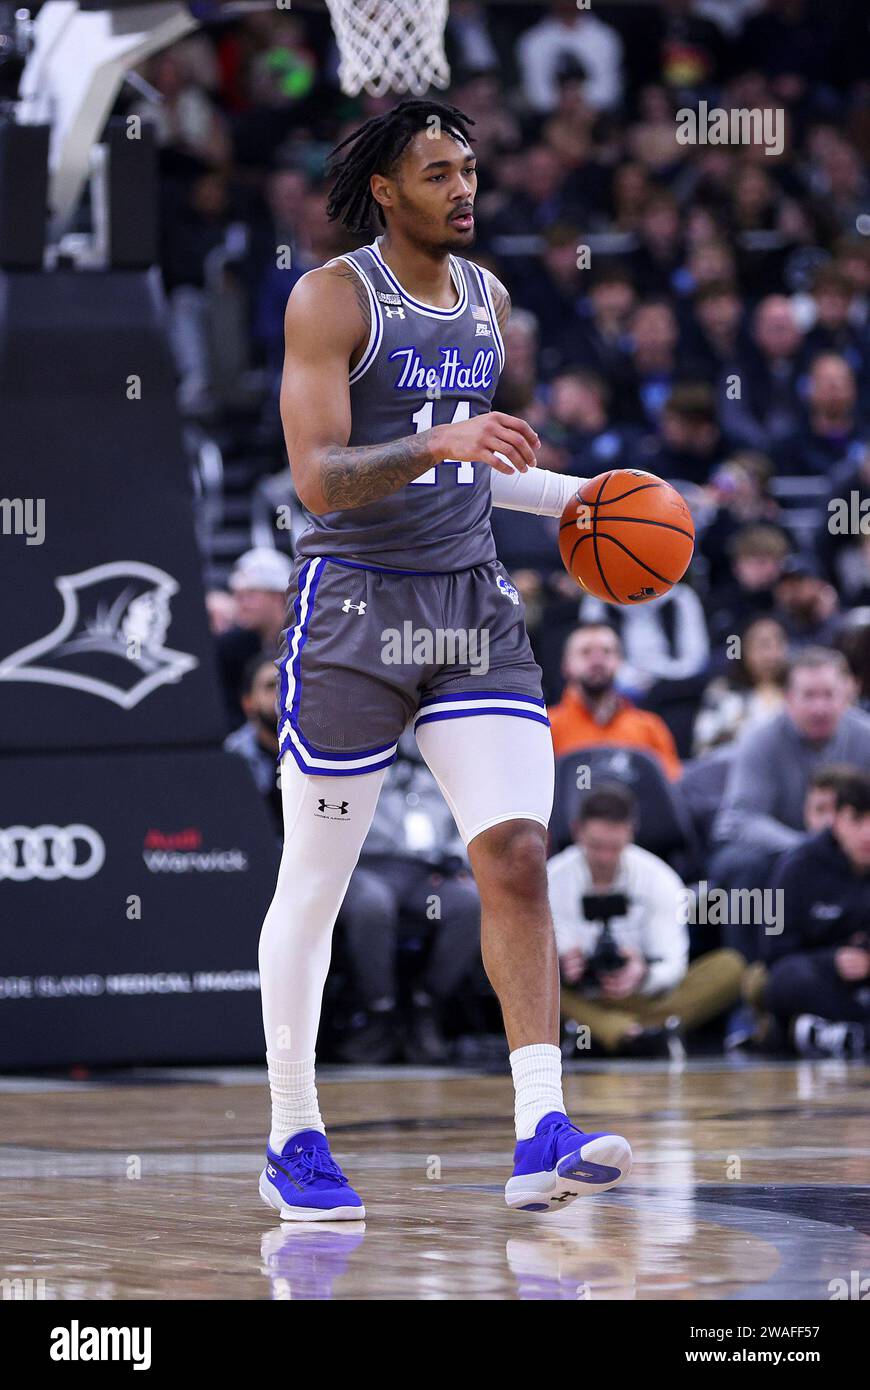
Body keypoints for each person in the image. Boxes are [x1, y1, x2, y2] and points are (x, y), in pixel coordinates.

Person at [257, 100, 632, 1223]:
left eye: (469, 169)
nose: (463, 189)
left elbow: (473, 468)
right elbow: (321, 478)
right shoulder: (331, 297)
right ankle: (292, 1132)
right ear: (386, 188)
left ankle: (540, 1127)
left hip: (471, 608)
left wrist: (580, 498)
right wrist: (440, 437)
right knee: (315, 890)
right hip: (353, 616)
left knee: (518, 850)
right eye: (437, 173)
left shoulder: (489, 299)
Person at [548, 786, 744, 1055]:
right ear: (576, 830)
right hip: (578, 995)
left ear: (631, 831)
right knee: (528, 982)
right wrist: (560, 967)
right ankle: (640, 1031)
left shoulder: (660, 879)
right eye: (596, 846)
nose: (605, 857)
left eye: (614, 847)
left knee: (730, 967)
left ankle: (615, 1030)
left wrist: (643, 973)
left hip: (644, 997)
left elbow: (672, 964)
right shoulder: (551, 880)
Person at [336, 735, 481, 1065]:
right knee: (373, 905)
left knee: (468, 903)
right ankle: (379, 1011)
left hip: (426, 873)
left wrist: (456, 858)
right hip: (366, 866)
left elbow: (467, 818)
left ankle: (426, 1003)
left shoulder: (443, 762)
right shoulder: (357, 753)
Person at [711, 648, 870, 941]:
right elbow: (743, 818)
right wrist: (808, 849)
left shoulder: (865, 735)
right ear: (787, 699)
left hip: (857, 849)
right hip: (780, 848)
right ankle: (747, 970)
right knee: (743, 864)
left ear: (847, 693)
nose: (820, 707)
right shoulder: (760, 739)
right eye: (809, 696)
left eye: (829, 694)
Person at [762, 771, 870, 1057]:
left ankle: (833, 1033)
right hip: (821, 978)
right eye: (857, 820)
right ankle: (854, 1030)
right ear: (837, 820)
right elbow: (775, 951)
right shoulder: (795, 867)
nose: (868, 834)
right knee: (784, 980)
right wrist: (833, 961)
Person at [548, 623, 682, 780]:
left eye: (606, 651)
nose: (597, 659)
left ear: (620, 662)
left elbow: (671, 789)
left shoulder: (649, 727)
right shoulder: (547, 728)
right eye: (585, 652)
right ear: (566, 665)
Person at [214, 547, 292, 732]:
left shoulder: (314, 639)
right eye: (237, 595)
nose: (240, 604)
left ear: (279, 597)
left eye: (249, 595)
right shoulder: (229, 649)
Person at [692, 615, 788, 755]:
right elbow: (703, 746)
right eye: (763, 645)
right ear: (744, 649)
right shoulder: (721, 691)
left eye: (778, 644)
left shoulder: (798, 689)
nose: (771, 655)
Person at [223, 654, 283, 838]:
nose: (281, 694)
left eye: (286, 684)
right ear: (248, 703)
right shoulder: (232, 757)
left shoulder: (320, 749)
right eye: (271, 686)